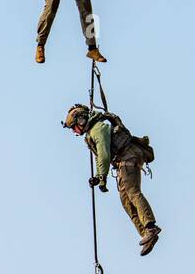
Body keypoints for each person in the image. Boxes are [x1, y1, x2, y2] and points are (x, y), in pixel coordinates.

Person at [63, 104, 161, 255]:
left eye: (74, 127)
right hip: (122, 163)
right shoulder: (92, 133)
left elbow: (104, 154)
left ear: (81, 120)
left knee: (132, 192)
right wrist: (98, 177)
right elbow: (99, 157)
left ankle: (151, 228)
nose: (75, 132)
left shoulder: (98, 129)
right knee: (126, 201)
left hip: (128, 158)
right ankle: (146, 234)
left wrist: (102, 177)